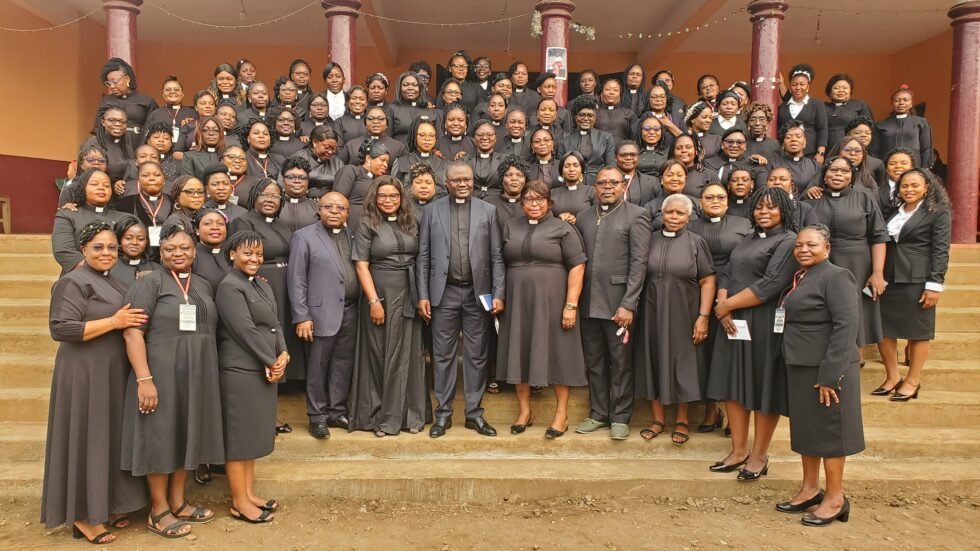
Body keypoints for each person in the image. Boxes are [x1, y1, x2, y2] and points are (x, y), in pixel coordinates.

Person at [42, 222, 149, 544]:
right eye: (98, 247)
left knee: (108, 438)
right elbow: (62, 329)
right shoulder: (73, 281)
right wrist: (114, 322)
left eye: (112, 248)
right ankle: (82, 516)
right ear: (83, 250)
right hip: (84, 374)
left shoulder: (115, 281)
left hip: (112, 374)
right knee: (86, 439)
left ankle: (108, 504)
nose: (106, 253)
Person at [121, 222, 224, 539]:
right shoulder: (148, 283)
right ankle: (158, 509)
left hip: (196, 374)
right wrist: (144, 379)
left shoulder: (204, 285)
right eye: (170, 249)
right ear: (160, 253)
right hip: (161, 373)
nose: (178, 253)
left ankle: (179, 501)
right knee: (160, 437)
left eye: (184, 248)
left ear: (195, 251)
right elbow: (131, 332)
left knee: (184, 435)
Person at [708, 187, 799, 480]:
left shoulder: (788, 241)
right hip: (733, 320)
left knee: (763, 388)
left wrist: (724, 307)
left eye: (771, 207)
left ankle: (759, 456)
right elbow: (728, 273)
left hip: (763, 322)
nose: (763, 212)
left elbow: (771, 284)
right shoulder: (748, 239)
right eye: (759, 207)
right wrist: (724, 306)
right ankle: (738, 450)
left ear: (784, 210)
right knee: (733, 385)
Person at [778, 224, 863, 526]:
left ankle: (836, 498)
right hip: (801, 366)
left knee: (830, 434)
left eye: (811, 244)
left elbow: (845, 326)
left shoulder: (837, 276)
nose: (803, 249)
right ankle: (810, 489)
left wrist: (831, 373)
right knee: (807, 432)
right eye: (799, 244)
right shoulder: (802, 277)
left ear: (827, 248)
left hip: (827, 369)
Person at [417, 161, 506, 438]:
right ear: (447, 183)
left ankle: (474, 414)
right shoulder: (431, 210)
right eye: (457, 180)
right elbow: (423, 256)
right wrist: (422, 295)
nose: (463, 184)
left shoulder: (488, 211)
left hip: (478, 294)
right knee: (442, 355)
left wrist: (499, 294)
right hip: (443, 293)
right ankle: (442, 414)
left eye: (467, 179)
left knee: (477, 355)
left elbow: (496, 256)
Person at [497, 180, 588, 438]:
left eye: (540, 199)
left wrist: (571, 305)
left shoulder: (563, 229)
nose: (534, 204)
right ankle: (525, 411)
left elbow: (578, 267)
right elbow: (498, 262)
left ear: (549, 202)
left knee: (560, 354)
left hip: (554, 301)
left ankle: (561, 414)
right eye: (529, 200)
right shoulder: (510, 226)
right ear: (521, 202)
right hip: (517, 302)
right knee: (519, 352)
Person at [573, 166, 653, 440]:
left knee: (621, 363)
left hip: (619, 304)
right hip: (588, 303)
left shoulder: (637, 216)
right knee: (594, 362)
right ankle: (598, 413)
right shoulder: (584, 217)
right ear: (594, 187)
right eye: (602, 183)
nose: (607, 187)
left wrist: (629, 303)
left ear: (623, 186)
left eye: (613, 183)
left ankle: (620, 417)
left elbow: (639, 262)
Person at [215, 230, 288, 524]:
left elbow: (274, 322)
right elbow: (243, 330)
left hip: (264, 367)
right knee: (239, 439)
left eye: (258, 253)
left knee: (253, 436)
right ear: (232, 254)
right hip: (240, 370)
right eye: (247, 253)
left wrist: (283, 354)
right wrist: (271, 360)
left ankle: (248, 493)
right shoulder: (229, 287)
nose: (254, 258)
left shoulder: (261, 284)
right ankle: (239, 502)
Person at [634, 194, 716, 445]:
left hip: (685, 311)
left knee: (683, 363)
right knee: (653, 358)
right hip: (651, 311)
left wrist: (703, 317)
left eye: (680, 213)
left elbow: (708, 280)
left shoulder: (696, 242)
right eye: (669, 212)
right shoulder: (649, 240)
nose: (674, 217)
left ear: (689, 216)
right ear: (661, 213)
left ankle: (682, 419)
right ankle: (658, 419)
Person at [348, 177, 427, 436]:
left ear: (401, 197)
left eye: (393, 195)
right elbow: (361, 265)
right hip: (380, 292)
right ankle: (380, 417)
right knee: (382, 354)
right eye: (382, 196)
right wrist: (373, 302)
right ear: (374, 198)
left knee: (409, 354)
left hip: (409, 291)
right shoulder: (367, 224)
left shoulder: (412, 221)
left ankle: (409, 415)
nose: (388, 200)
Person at [875, 169, 952, 401]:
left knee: (918, 333)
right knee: (884, 330)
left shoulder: (938, 213)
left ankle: (912, 380)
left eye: (914, 185)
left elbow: (940, 250)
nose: (908, 189)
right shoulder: (892, 211)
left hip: (917, 279)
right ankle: (892, 376)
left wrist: (935, 284)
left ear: (927, 187)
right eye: (904, 186)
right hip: (888, 278)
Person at [288, 193, 360, 438]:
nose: (334, 211)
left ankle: (336, 411)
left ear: (348, 213)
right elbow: (297, 279)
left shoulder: (353, 236)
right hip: (318, 314)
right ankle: (317, 416)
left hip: (351, 310)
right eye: (328, 206)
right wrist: (301, 316)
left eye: (341, 208)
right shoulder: (304, 236)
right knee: (318, 366)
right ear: (319, 210)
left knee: (343, 364)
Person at [688, 184, 752, 432]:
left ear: (728, 201)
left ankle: (732, 410)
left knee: (732, 353)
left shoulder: (743, 225)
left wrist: (727, 302)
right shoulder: (690, 226)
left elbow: (747, 262)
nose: (715, 201)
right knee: (705, 353)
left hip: (735, 296)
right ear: (700, 202)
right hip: (697, 295)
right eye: (709, 197)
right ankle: (710, 409)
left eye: (720, 197)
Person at [228, 179, 305, 384]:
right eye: (265, 194)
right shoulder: (244, 222)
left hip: (285, 282)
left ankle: (289, 374)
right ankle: (272, 371)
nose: (270, 199)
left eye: (275, 196)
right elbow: (241, 258)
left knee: (284, 327)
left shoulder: (282, 225)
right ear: (254, 197)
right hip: (263, 281)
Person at [808, 157, 889, 349]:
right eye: (833, 170)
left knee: (855, 309)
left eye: (844, 171)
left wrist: (878, 273)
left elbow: (878, 237)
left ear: (852, 176)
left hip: (858, 263)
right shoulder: (812, 198)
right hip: (821, 262)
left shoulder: (864, 197)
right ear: (824, 174)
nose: (838, 174)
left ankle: (855, 355)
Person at [52, 169, 128, 276]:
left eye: (106, 185)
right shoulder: (67, 215)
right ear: (82, 188)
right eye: (94, 184)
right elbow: (64, 251)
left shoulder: (125, 218)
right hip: (79, 279)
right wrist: (101, 273)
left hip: (120, 280)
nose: (101, 188)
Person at [115, 161, 174, 253]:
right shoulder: (124, 203)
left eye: (157, 175)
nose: (151, 178)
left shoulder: (175, 202)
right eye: (145, 175)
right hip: (138, 253)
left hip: (171, 252)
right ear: (138, 180)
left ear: (164, 179)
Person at [871, 85, 934, 168]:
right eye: (897, 100)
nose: (901, 103)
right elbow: (874, 151)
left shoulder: (921, 123)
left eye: (905, 100)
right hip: (888, 169)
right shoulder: (881, 125)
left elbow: (926, 149)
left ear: (911, 104)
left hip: (914, 168)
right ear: (892, 103)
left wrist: (924, 170)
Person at [335, 138, 391, 228]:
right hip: (350, 224)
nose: (386, 165)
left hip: (371, 226)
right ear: (368, 158)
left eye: (387, 162)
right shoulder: (351, 170)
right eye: (382, 160)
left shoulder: (379, 180)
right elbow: (337, 198)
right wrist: (340, 221)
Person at [560, 94, 616, 185]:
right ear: (575, 117)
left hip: (599, 183)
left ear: (595, 118)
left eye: (590, 115)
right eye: (581, 115)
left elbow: (610, 166)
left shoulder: (606, 137)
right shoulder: (565, 140)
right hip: (573, 184)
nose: (586, 119)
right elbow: (561, 167)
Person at [777, 64, 828, 162]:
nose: (798, 87)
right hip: (786, 154)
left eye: (802, 84)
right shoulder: (783, 107)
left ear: (808, 86)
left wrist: (820, 153)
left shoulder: (817, 104)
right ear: (790, 87)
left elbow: (823, 129)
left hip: (810, 153)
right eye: (794, 84)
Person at [98, 58, 158, 139]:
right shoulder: (106, 101)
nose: (112, 86)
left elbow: (156, 129)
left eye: (114, 82)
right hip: (112, 147)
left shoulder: (147, 100)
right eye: (109, 83)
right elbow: (98, 130)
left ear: (127, 79)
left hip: (138, 146)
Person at [85, 104, 136, 188]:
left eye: (122, 121)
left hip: (123, 192)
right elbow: (91, 176)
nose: (118, 124)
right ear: (103, 122)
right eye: (112, 120)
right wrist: (113, 185)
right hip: (101, 191)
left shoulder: (128, 144)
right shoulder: (93, 143)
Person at [337, 106, 406, 167]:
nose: (375, 122)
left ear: (387, 124)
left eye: (381, 119)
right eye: (370, 118)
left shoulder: (399, 147)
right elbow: (338, 167)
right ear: (365, 124)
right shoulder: (351, 145)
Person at [392, 117, 448, 191]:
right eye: (422, 135)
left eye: (431, 135)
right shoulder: (401, 163)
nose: (427, 139)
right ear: (414, 137)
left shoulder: (446, 164)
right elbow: (392, 190)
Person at [824, 74, 874, 149]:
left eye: (845, 88)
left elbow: (869, 128)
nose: (841, 90)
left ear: (850, 91)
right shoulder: (822, 106)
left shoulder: (859, 104)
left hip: (854, 148)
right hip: (828, 148)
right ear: (830, 91)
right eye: (836, 88)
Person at [770, 124, 820, 193]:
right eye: (788, 137)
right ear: (783, 143)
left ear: (805, 141)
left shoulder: (814, 166)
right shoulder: (773, 165)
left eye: (798, 136)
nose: (793, 139)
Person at [111, 216, 161, 284]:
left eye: (140, 239)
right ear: (119, 240)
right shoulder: (111, 267)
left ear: (147, 242)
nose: (135, 243)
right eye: (128, 238)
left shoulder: (158, 269)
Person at [191, 207, 230, 290]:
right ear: (197, 230)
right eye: (208, 223)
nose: (215, 227)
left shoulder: (233, 254)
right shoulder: (191, 256)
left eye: (220, 224)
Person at [278, 156, 319, 232]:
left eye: (302, 177)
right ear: (283, 180)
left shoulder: (316, 208)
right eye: (290, 177)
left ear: (308, 181)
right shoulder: (273, 206)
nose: (297, 181)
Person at [551, 151, 594, 222]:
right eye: (567, 166)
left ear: (582, 170)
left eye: (576, 165)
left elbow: (596, 216)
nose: (571, 169)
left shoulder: (591, 191)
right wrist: (558, 219)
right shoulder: (552, 193)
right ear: (561, 171)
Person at [485, 154, 529, 221]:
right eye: (509, 175)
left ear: (525, 179)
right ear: (502, 179)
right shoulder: (488, 203)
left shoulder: (531, 203)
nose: (514, 179)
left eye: (519, 175)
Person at [615, 141, 660, 206]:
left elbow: (657, 208)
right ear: (615, 158)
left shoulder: (652, 182)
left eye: (633, 155)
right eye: (623, 155)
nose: (628, 158)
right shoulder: (605, 180)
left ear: (638, 157)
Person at [877, 148, 916, 218]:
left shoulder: (922, 191)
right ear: (886, 168)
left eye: (903, 163)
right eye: (892, 163)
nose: (898, 166)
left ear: (912, 167)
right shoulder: (875, 192)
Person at [595, 78, 636, 145]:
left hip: (622, 153)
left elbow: (634, 138)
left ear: (620, 94)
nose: (611, 92)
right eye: (608, 89)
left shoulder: (629, 114)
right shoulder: (593, 113)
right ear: (601, 93)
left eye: (616, 90)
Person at [468, 120, 503, 197]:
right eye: (480, 135)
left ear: (495, 138)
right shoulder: (464, 160)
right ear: (474, 138)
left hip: (497, 201)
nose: (484, 138)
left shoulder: (504, 160)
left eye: (489, 135)